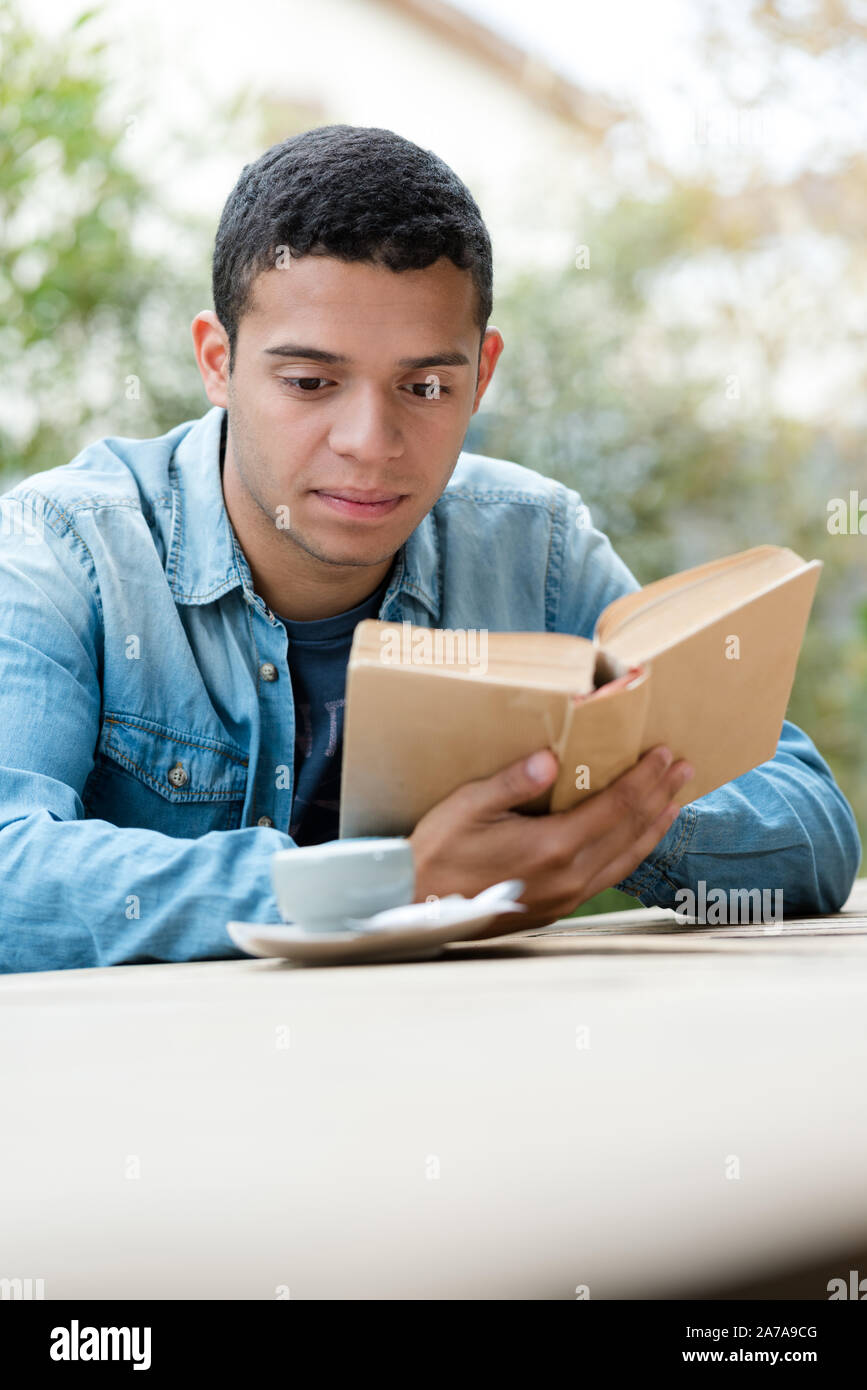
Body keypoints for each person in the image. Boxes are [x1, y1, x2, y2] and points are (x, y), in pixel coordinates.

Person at [0, 125, 859, 972]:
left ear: (480, 375)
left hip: (460, 1082)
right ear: (217, 362)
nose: (369, 442)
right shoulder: (67, 547)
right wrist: (392, 884)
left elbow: (812, 831)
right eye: (309, 382)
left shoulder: (536, 547)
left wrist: (587, 806)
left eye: (424, 386)